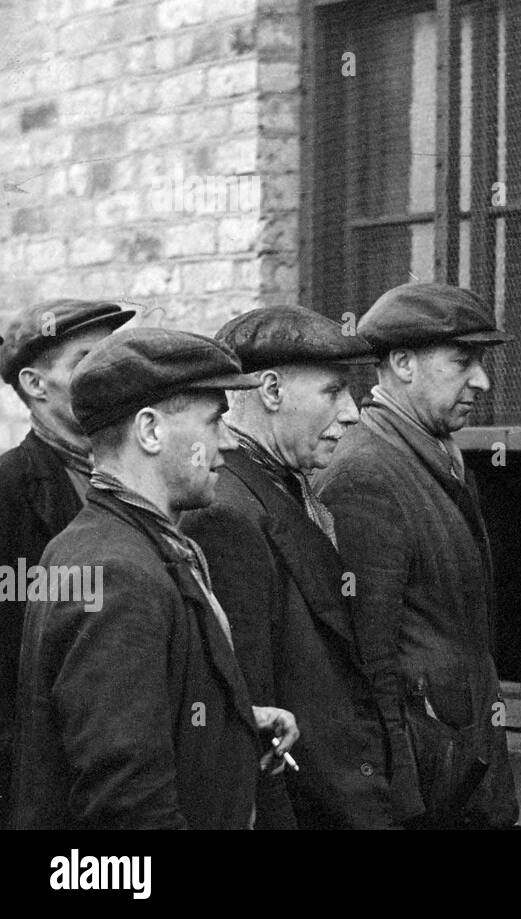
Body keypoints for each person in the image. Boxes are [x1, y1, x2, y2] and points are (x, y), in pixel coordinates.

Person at [9, 328, 299, 829]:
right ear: (150, 431)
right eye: (213, 421)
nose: (227, 442)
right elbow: (127, 804)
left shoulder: (112, 541)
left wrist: (230, 721)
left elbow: (123, 718)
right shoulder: (118, 572)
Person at [182, 305, 418, 829]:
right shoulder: (226, 515)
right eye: (333, 392)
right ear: (270, 390)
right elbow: (251, 719)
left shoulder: (282, 488)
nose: (353, 412)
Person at [316, 282, 518, 828]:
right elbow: (368, 667)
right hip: (428, 796)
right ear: (402, 364)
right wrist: (400, 806)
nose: (481, 381)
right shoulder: (365, 475)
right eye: (462, 362)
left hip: (464, 773)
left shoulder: (434, 453)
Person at [0, 298, 135, 823]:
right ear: (35, 385)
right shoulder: (9, 493)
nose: (109, 373)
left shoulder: (142, 475)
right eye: (85, 361)